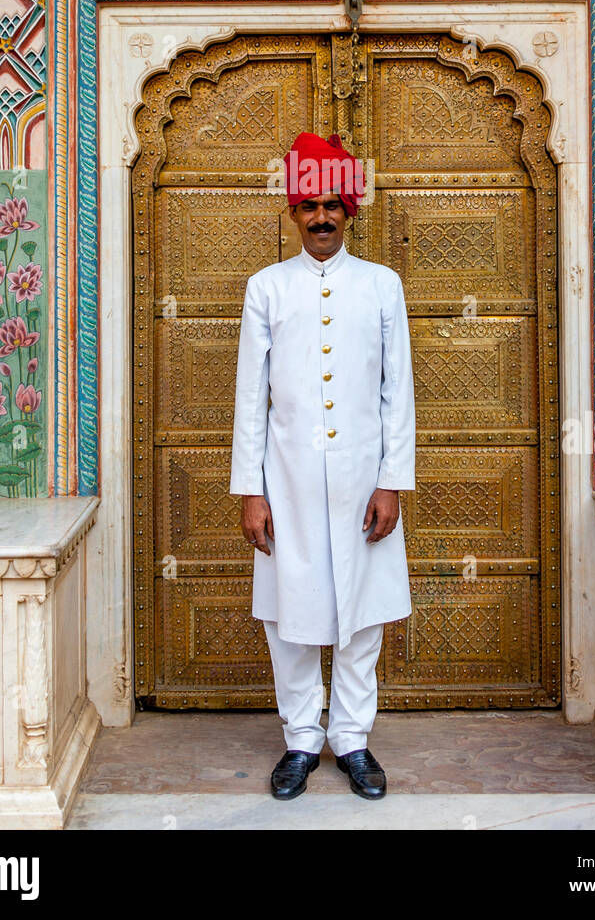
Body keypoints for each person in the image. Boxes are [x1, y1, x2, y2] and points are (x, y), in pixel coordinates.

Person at [230, 130, 416, 801]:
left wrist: (393, 481)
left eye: (333, 205)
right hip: (289, 482)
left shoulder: (381, 284)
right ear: (293, 212)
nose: (321, 218)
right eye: (309, 206)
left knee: (362, 615)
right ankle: (302, 740)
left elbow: (398, 390)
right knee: (292, 611)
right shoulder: (267, 288)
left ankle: (354, 739)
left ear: (350, 210)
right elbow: (251, 397)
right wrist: (251, 490)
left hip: (366, 480)